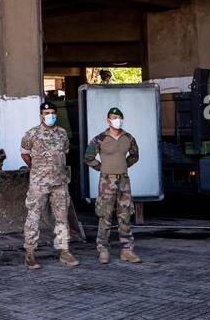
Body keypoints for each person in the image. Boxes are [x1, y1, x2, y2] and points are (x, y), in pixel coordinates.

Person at [20, 100, 78, 269]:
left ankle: (64, 251)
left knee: (61, 218)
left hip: (60, 182)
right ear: (41, 115)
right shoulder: (32, 134)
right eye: (46, 113)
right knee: (34, 216)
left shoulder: (62, 133)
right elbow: (24, 154)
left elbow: (64, 152)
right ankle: (30, 253)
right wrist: (36, 168)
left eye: (52, 113)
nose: (50, 116)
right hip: (39, 183)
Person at [83, 106, 142, 264]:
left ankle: (127, 250)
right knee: (105, 215)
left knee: (125, 215)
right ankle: (103, 250)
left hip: (123, 180)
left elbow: (135, 155)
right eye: (114, 117)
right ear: (108, 120)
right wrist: (101, 167)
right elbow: (88, 157)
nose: (117, 120)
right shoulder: (99, 139)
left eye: (119, 117)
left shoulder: (128, 137)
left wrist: (123, 165)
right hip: (106, 181)